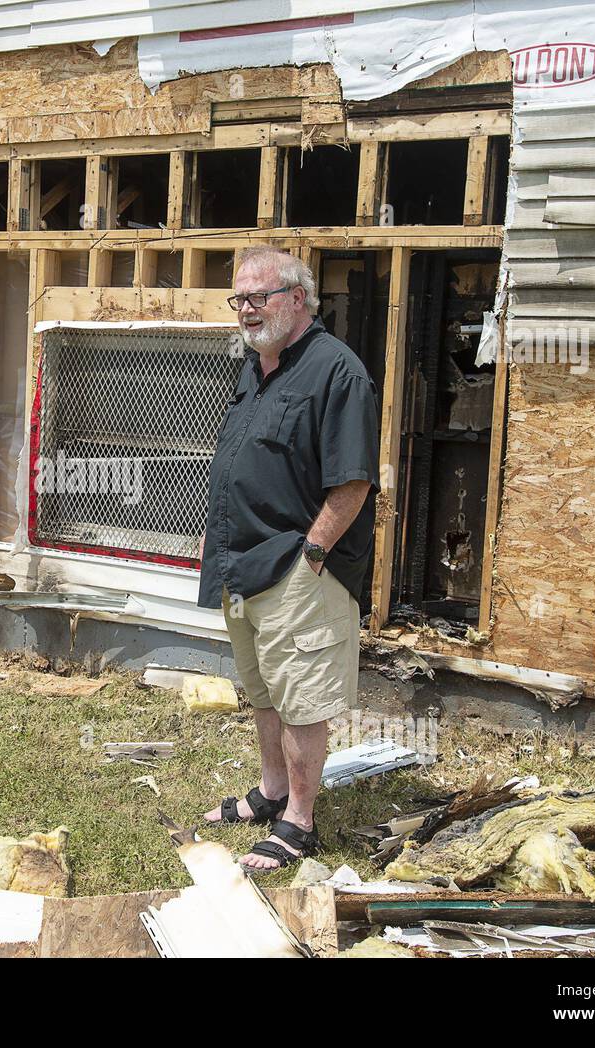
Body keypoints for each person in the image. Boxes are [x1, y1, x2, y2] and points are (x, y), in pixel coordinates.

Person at [197, 246, 379, 872]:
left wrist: (313, 553)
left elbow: (352, 482)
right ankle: (274, 791)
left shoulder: (338, 372)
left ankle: (300, 819)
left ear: (296, 299)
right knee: (264, 689)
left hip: (300, 569)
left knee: (302, 696)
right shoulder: (256, 367)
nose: (246, 310)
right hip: (243, 564)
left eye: (259, 297)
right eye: (239, 300)